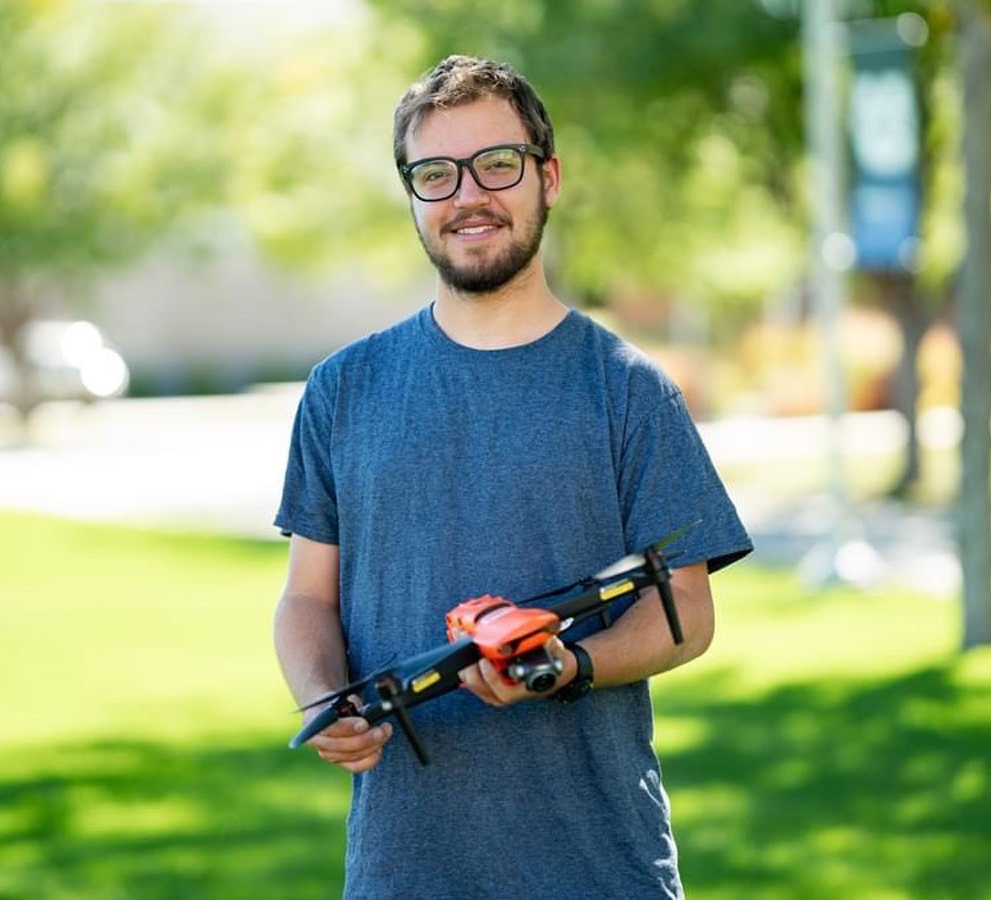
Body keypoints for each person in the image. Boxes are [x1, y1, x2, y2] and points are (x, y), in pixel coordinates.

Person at [272, 54, 753, 899]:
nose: (468, 196)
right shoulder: (342, 390)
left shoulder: (628, 390)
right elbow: (307, 598)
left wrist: (572, 665)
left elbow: (688, 614)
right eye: (436, 174)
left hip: (601, 869)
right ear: (413, 195)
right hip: (402, 871)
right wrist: (324, 698)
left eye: (497, 164)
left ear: (548, 177)